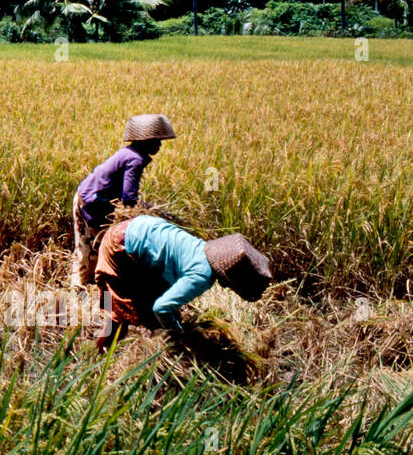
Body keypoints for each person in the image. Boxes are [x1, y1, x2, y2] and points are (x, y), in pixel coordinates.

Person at [92, 215, 272, 352]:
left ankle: (154, 353)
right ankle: (93, 361)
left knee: (156, 317)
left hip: (135, 228)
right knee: (119, 321)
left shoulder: (203, 249)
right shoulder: (202, 276)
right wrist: (182, 336)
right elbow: (161, 308)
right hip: (120, 246)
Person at [69, 114, 176, 289]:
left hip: (88, 197)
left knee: (89, 246)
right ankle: (81, 288)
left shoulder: (129, 153)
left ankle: (88, 286)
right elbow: (128, 198)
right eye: (157, 140)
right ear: (146, 140)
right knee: (92, 246)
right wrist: (152, 212)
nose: (160, 145)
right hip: (91, 202)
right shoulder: (135, 159)